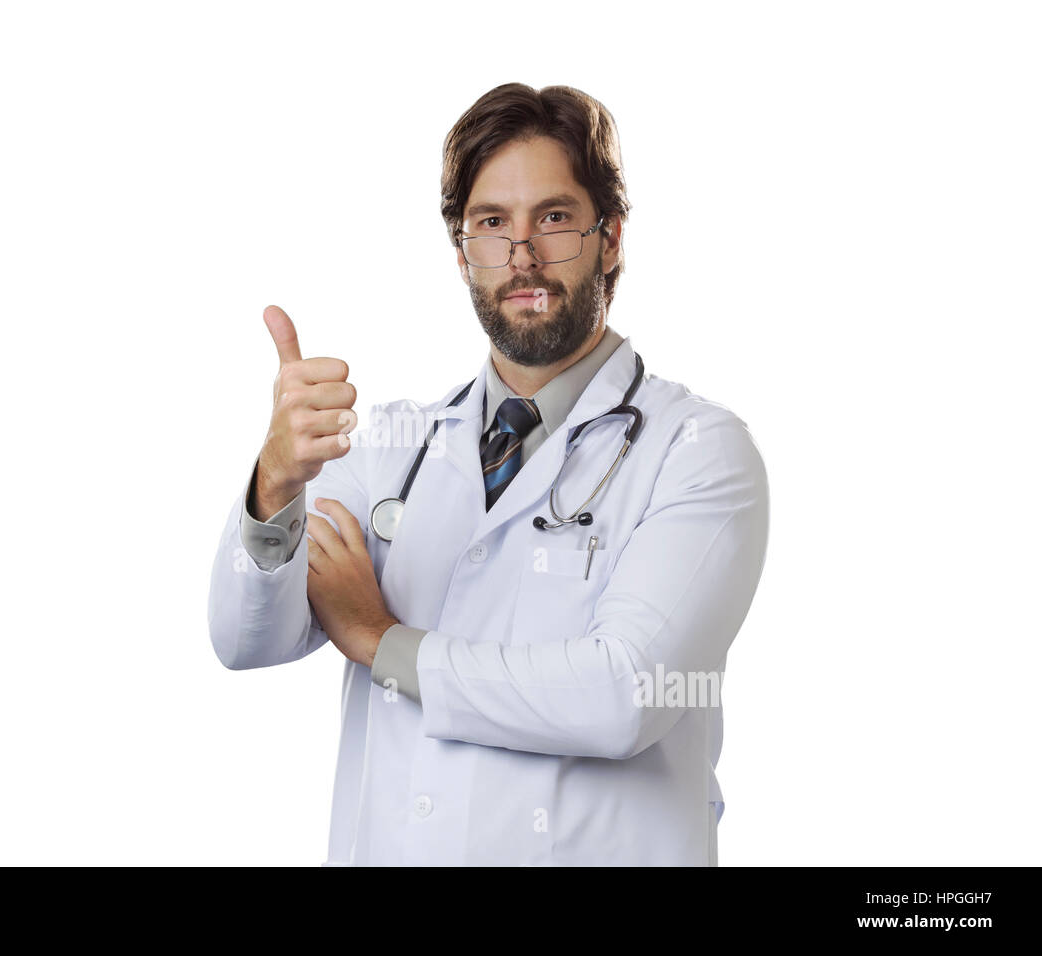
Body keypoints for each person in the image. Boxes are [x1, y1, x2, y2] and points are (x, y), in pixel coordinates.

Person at [207, 82, 770, 866]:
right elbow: (244, 640)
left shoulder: (699, 451)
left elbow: (624, 695)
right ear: (461, 249)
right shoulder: (395, 444)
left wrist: (381, 641)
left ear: (610, 238)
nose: (522, 256)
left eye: (555, 218)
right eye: (492, 224)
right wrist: (275, 485)